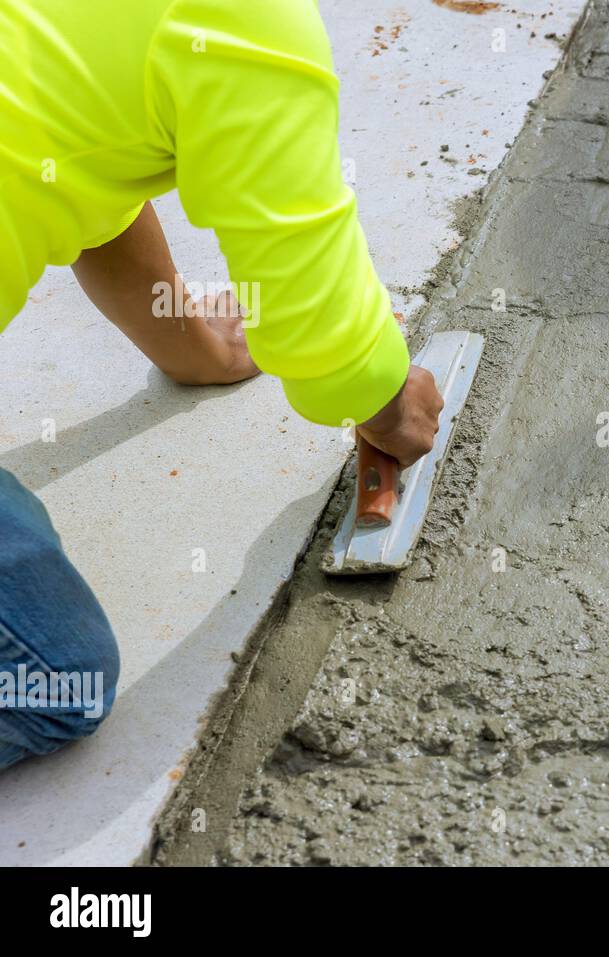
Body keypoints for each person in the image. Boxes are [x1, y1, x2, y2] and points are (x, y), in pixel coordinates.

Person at [0, 0, 443, 769]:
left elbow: (78, 150)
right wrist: (383, 392)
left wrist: (191, 345)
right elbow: (317, 328)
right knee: (52, 674)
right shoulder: (242, 17)